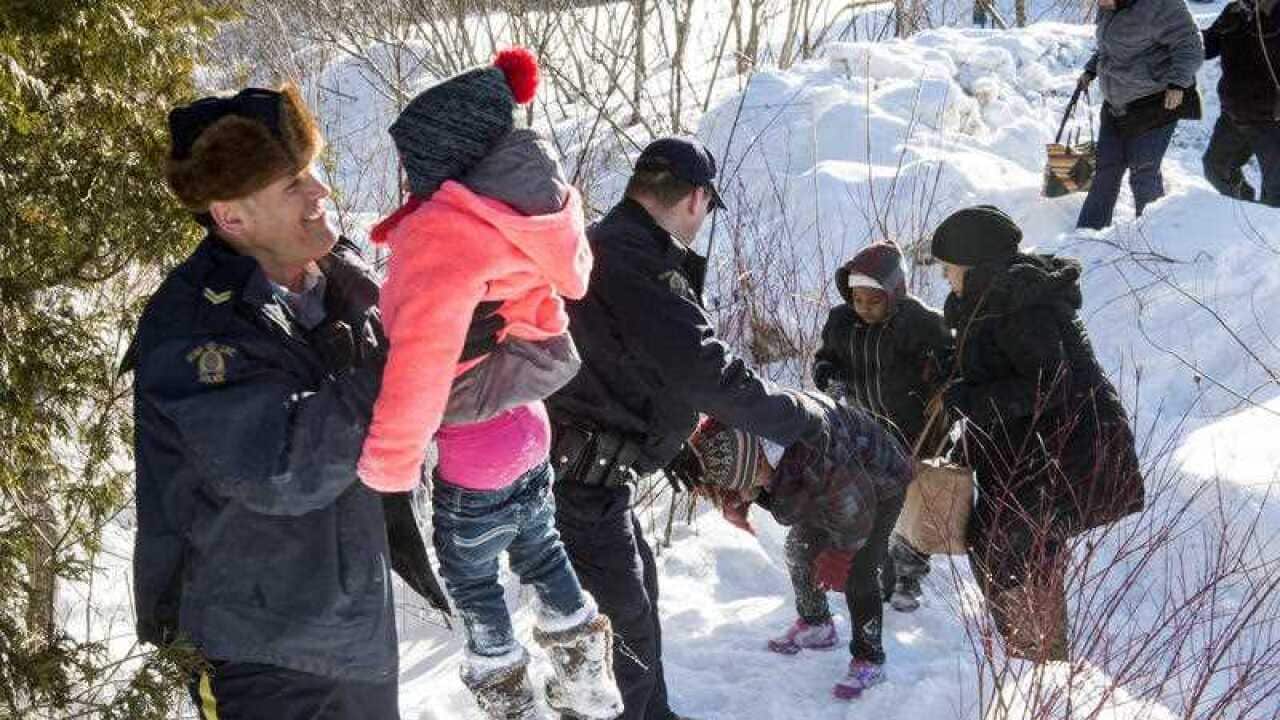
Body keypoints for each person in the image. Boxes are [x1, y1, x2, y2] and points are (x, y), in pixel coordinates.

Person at [129, 84, 501, 718]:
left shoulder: (341, 277)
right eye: (291, 185)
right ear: (232, 217)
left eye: (313, 173)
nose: (321, 193)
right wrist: (414, 359)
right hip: (258, 652)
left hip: (355, 632)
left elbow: (401, 403)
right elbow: (284, 466)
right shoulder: (192, 329)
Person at [355, 49, 622, 720]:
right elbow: (575, 283)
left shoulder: (444, 232)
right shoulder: (531, 207)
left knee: (472, 577)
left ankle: (506, 698)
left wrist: (389, 469)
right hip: (531, 422)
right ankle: (585, 673)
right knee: (540, 546)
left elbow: (422, 359)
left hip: (476, 437)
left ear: (443, 158)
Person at [546, 136, 831, 720]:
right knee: (619, 624)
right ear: (697, 198)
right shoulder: (635, 262)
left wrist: (669, 443)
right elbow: (707, 373)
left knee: (637, 603)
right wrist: (803, 416)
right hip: (579, 482)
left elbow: (622, 363)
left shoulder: (614, 249)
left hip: (599, 476)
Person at [930, 206, 1145, 662]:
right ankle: (1031, 655)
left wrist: (967, 400)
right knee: (1003, 544)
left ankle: (1039, 660)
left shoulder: (1018, 306)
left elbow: (1051, 384)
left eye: (949, 267)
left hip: (1069, 447)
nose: (945, 276)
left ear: (973, 263)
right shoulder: (987, 303)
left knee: (1011, 547)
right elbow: (1002, 375)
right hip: (1030, 448)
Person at [691, 397, 912, 700]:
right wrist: (745, 492)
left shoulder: (815, 453)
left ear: (759, 460)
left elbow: (854, 513)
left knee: (859, 572)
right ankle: (817, 624)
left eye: (749, 480)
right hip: (836, 485)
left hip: (880, 484)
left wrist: (840, 554)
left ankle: (870, 658)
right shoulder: (756, 434)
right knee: (800, 548)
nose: (745, 491)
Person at [811, 241, 952, 613]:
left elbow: (950, 364)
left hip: (914, 429)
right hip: (864, 429)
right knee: (874, 501)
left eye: (874, 301)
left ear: (895, 293)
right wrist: (827, 376)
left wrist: (940, 381)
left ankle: (909, 574)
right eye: (858, 300)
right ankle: (879, 567)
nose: (864, 309)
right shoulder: (841, 322)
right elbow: (825, 359)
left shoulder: (920, 323)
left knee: (913, 503)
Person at [1076, 0, 1203, 229]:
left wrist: (1178, 83)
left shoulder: (1160, 5)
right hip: (1116, 104)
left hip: (1154, 103)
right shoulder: (1108, 7)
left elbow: (1190, 44)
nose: (1098, 3)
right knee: (1105, 170)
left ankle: (1152, 239)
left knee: (1143, 172)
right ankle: (1085, 236)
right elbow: (1110, 47)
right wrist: (1090, 70)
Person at [1202, 0, 1280, 206]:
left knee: (1275, 194)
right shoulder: (1234, 11)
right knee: (1215, 169)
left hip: (1272, 120)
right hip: (1234, 114)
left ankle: (1265, 235)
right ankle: (1244, 210)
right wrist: (1178, 34)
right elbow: (1205, 47)